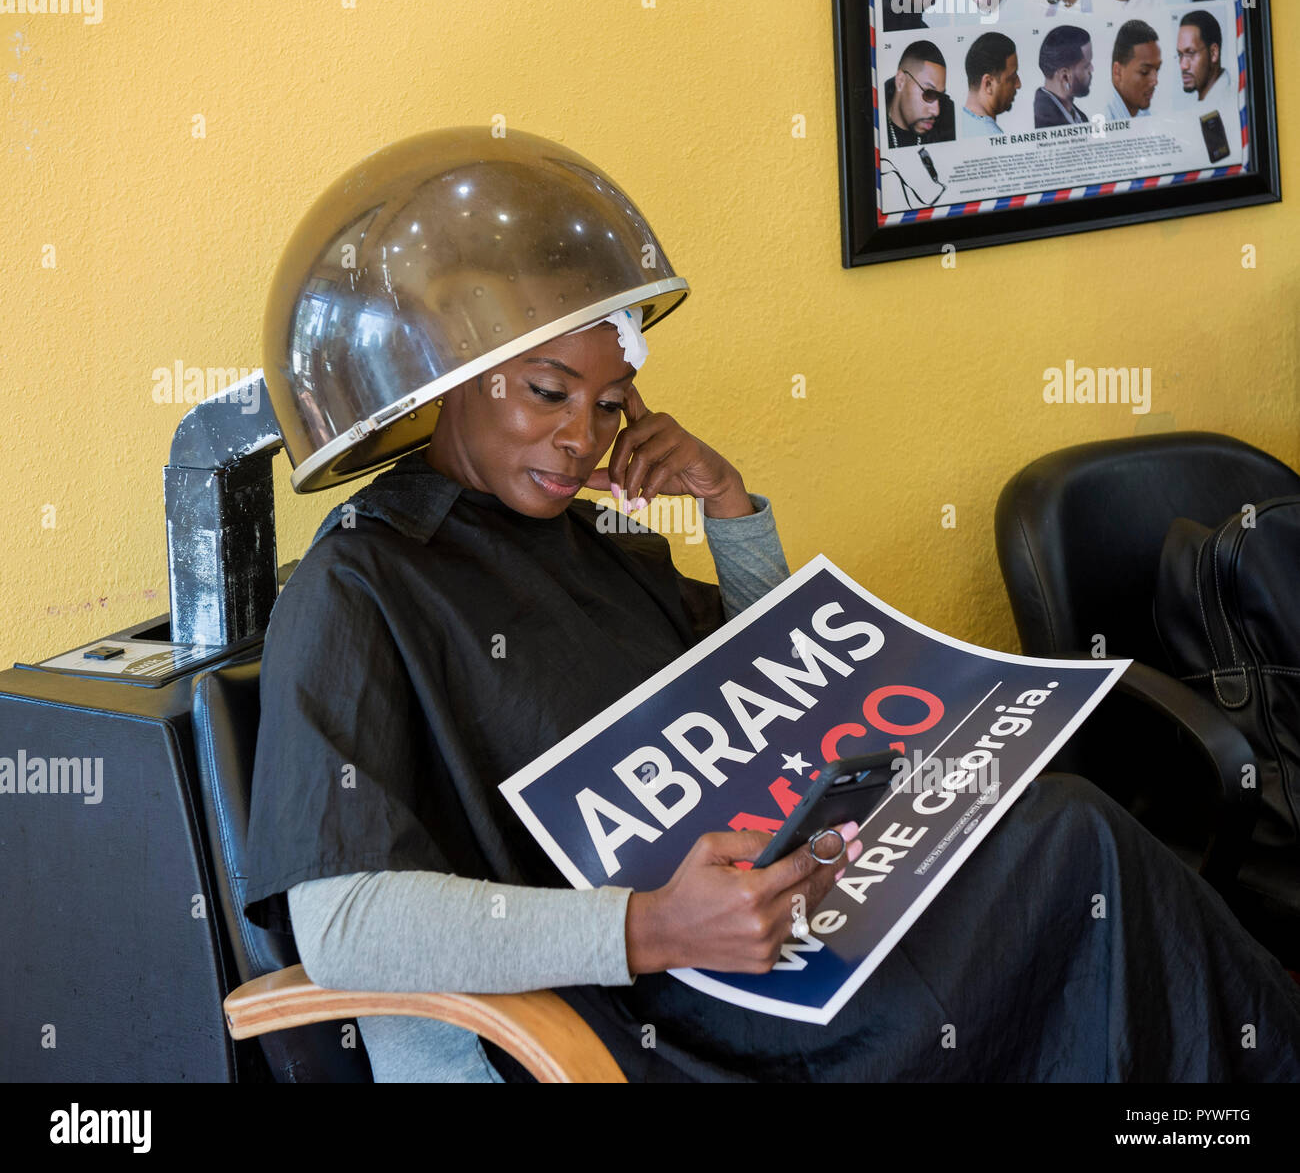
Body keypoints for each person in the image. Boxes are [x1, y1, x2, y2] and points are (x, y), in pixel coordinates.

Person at [243, 306, 1300, 1084]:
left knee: (1061, 824)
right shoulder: (357, 584)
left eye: (609, 406)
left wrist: (727, 506)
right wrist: (647, 929)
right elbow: (344, 923)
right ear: (454, 374)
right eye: (547, 392)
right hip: (663, 1007)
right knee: (1070, 858)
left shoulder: (591, 538)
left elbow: (781, 683)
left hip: (788, 933)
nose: (579, 437)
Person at [885, 40, 956, 146]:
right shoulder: (873, 121)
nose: (936, 111)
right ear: (900, 81)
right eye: (929, 94)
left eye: (939, 96)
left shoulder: (947, 124)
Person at [962, 32, 1021, 137]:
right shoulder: (993, 136)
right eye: (1012, 77)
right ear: (988, 84)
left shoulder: (957, 126)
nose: (1018, 84)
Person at [1034, 25, 1094, 127]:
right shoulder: (1047, 123)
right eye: (1086, 66)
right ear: (1065, 76)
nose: (1092, 69)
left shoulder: (1080, 117)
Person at [1177, 9, 1233, 117]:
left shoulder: (1229, 103)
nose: (1183, 66)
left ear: (1213, 53)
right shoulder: (1204, 104)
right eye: (1180, 54)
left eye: (1191, 53)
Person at [1107, 18, 1161, 119]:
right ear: (1118, 72)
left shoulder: (1143, 113)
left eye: (1157, 69)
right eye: (1145, 72)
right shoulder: (1104, 119)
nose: (1155, 81)